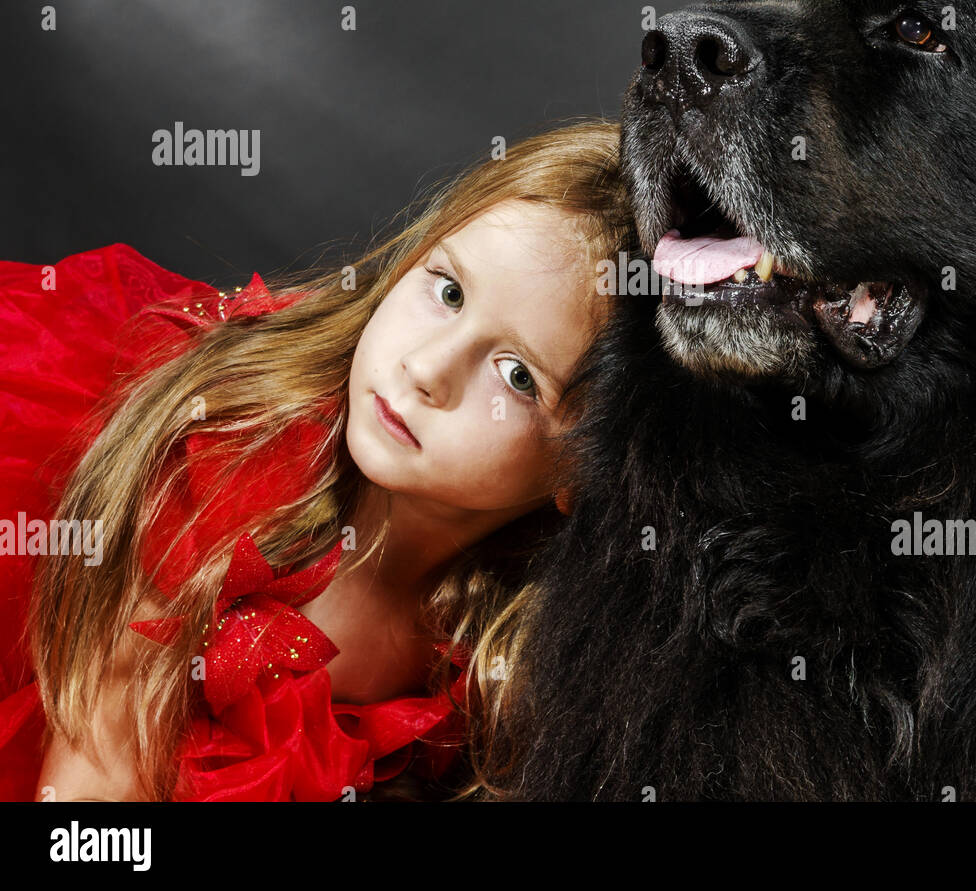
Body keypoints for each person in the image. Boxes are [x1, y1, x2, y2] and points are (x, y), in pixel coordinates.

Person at [0, 119, 633, 801]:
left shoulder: (502, 647)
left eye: (516, 375)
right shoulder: (232, 462)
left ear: (582, 466)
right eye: (447, 290)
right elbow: (88, 788)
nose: (426, 368)